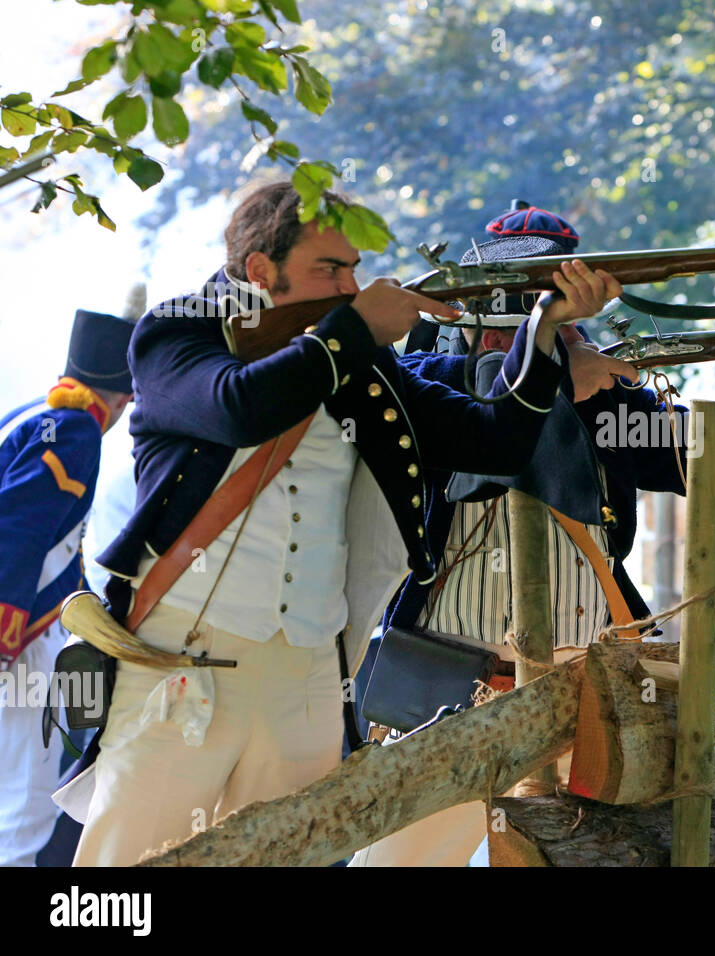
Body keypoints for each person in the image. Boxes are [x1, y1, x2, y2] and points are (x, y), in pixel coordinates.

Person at [70, 180, 620, 866]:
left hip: (305, 670)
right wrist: (354, 331)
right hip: (183, 660)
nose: (350, 284)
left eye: (354, 268)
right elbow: (238, 407)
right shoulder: (181, 329)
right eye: (329, 269)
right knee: (126, 868)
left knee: (282, 860)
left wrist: (543, 327)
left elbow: (496, 442)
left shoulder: (353, 353)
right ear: (259, 271)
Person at [351, 205, 715, 866]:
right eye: (509, 299)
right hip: (447, 688)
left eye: (539, 299)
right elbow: (487, 427)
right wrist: (555, 383)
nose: (520, 317)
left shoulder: (604, 396)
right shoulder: (433, 385)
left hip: (583, 691)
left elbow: (712, 461)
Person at [0, 307, 134, 866]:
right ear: (124, 396)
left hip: (33, 623)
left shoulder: (34, 412)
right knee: (25, 793)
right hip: (22, 634)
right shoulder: (78, 427)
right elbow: (18, 531)